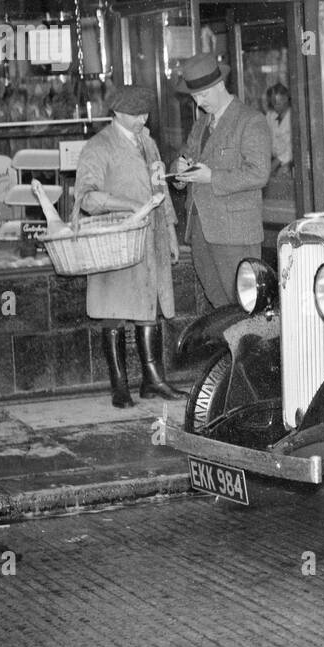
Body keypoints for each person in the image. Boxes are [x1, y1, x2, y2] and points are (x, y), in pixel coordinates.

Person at [74, 85, 181, 408]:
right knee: (114, 311)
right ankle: (119, 386)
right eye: (135, 114)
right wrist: (128, 205)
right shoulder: (98, 146)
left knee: (150, 306)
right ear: (117, 113)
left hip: (153, 238)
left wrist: (172, 232)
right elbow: (86, 197)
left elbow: (160, 186)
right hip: (117, 241)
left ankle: (153, 380)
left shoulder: (147, 142)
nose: (142, 119)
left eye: (145, 113)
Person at [171, 52, 271, 308]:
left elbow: (259, 172)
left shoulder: (250, 120)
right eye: (194, 96)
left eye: (203, 94)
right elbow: (185, 155)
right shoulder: (201, 124)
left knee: (243, 305)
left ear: (219, 85)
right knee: (219, 306)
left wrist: (211, 177)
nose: (199, 101)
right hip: (201, 230)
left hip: (234, 233)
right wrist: (179, 170)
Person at [265, 82, 292, 173]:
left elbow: (293, 147)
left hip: (289, 162)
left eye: (278, 103)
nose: (275, 106)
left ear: (286, 99)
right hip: (273, 160)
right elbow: (265, 138)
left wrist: (278, 162)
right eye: (273, 103)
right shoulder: (270, 115)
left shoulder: (294, 117)